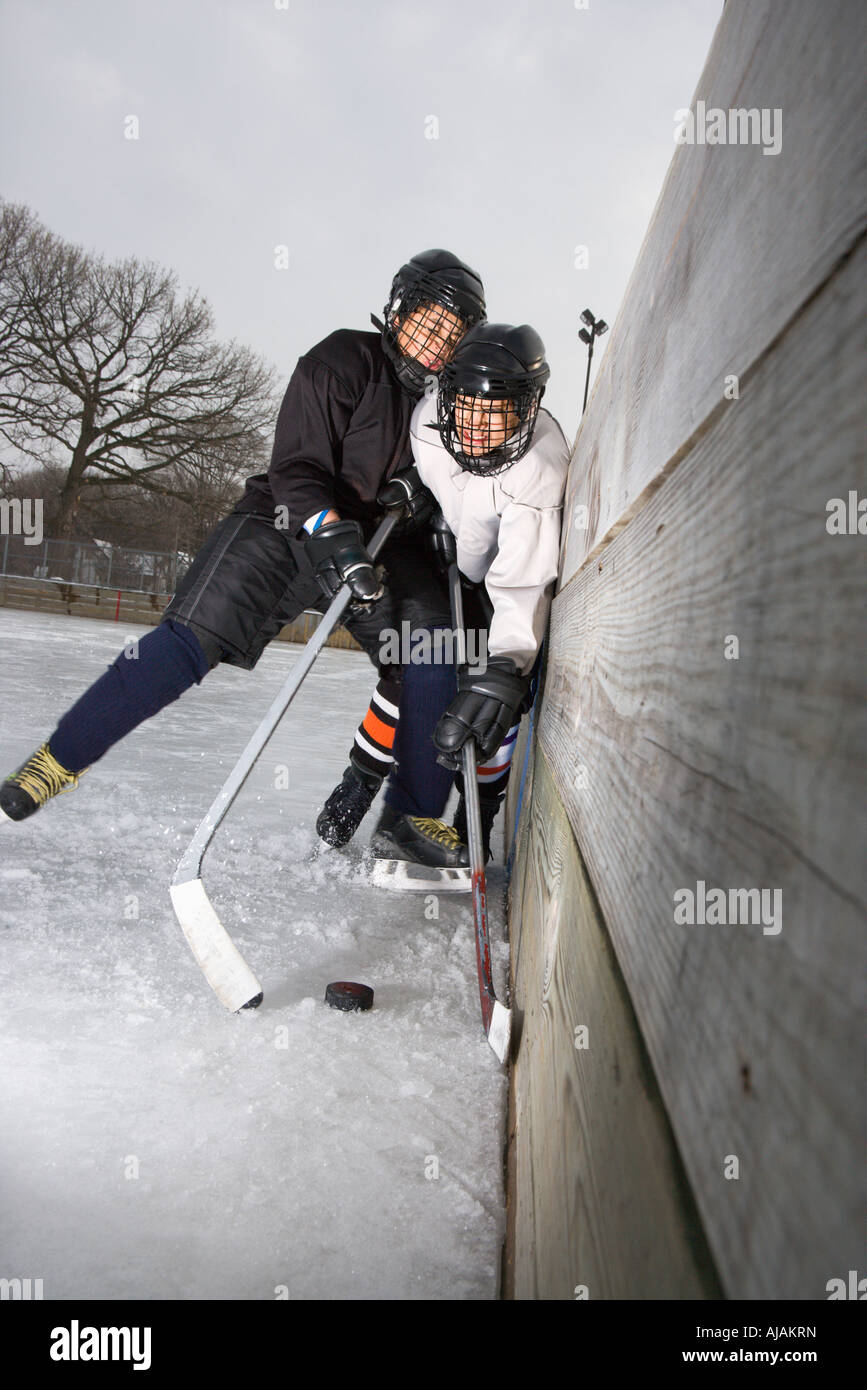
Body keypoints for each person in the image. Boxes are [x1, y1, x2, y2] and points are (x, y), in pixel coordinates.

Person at [0, 251, 486, 831]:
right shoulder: (343, 359)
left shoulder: (451, 404)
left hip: (382, 546)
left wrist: (422, 494)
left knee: (430, 646)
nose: (434, 343)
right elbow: (298, 465)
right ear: (399, 309)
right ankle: (57, 760)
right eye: (428, 322)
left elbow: (464, 484)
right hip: (285, 523)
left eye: (450, 334)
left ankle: (405, 815)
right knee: (189, 641)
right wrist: (328, 532)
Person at [361, 322, 570, 873]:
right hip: (443, 557)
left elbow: (522, 582)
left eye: (495, 411)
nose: (477, 427)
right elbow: (435, 471)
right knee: (420, 663)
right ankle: (365, 792)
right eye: (468, 408)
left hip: (494, 579)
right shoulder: (429, 422)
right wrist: (421, 493)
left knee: (490, 706)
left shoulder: (538, 472)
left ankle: (475, 816)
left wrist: (508, 662)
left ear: (525, 409)